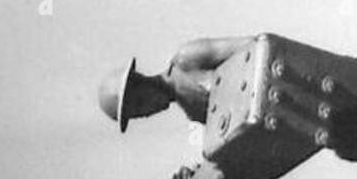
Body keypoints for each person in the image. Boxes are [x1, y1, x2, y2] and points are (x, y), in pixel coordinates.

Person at [97, 36, 253, 131]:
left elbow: (257, 45)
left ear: (140, 81)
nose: (147, 112)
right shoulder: (193, 111)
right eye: (140, 115)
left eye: (140, 102)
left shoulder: (187, 58)